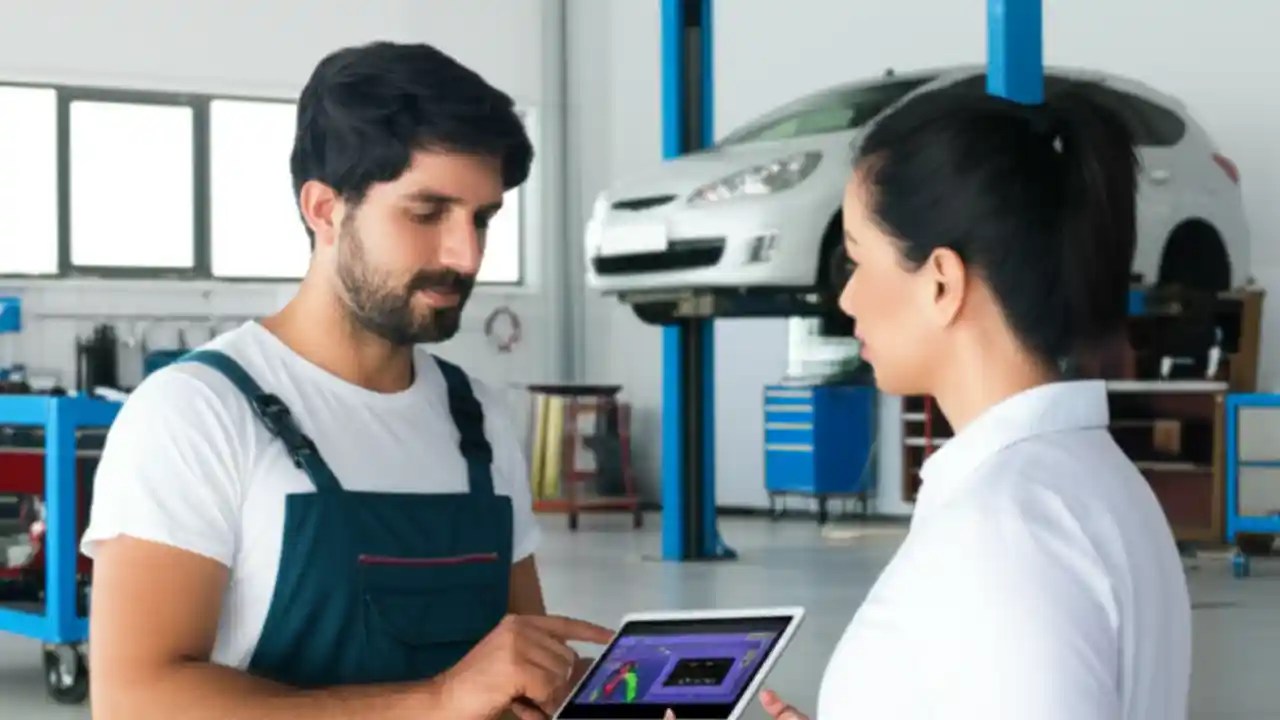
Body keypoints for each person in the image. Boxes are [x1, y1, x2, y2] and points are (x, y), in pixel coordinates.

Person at [82, 41, 612, 720]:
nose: (467, 255)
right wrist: (436, 700)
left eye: (482, 219)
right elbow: (136, 702)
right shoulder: (196, 413)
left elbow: (523, 679)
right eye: (427, 214)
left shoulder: (476, 417)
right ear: (325, 210)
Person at [685, 80, 1193, 720]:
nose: (845, 299)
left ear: (941, 283)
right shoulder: (1079, 479)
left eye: (857, 261)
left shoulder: (1009, 526)